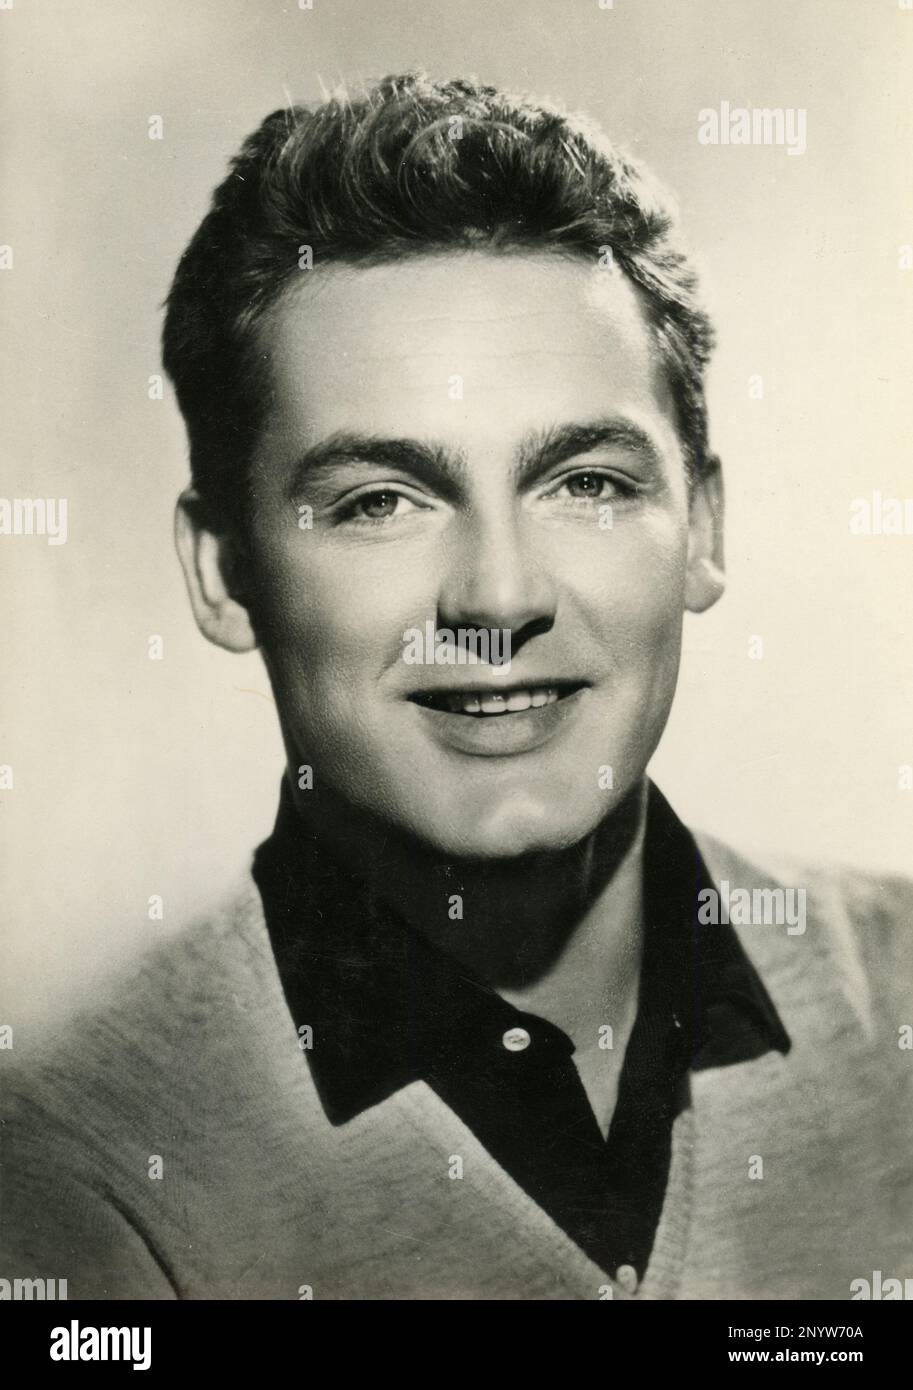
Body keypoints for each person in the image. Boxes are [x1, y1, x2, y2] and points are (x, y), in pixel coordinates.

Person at [3, 72, 911, 1301]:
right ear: (223, 572)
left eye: (585, 481)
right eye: (380, 501)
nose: (495, 598)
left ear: (701, 525)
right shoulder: (74, 1174)